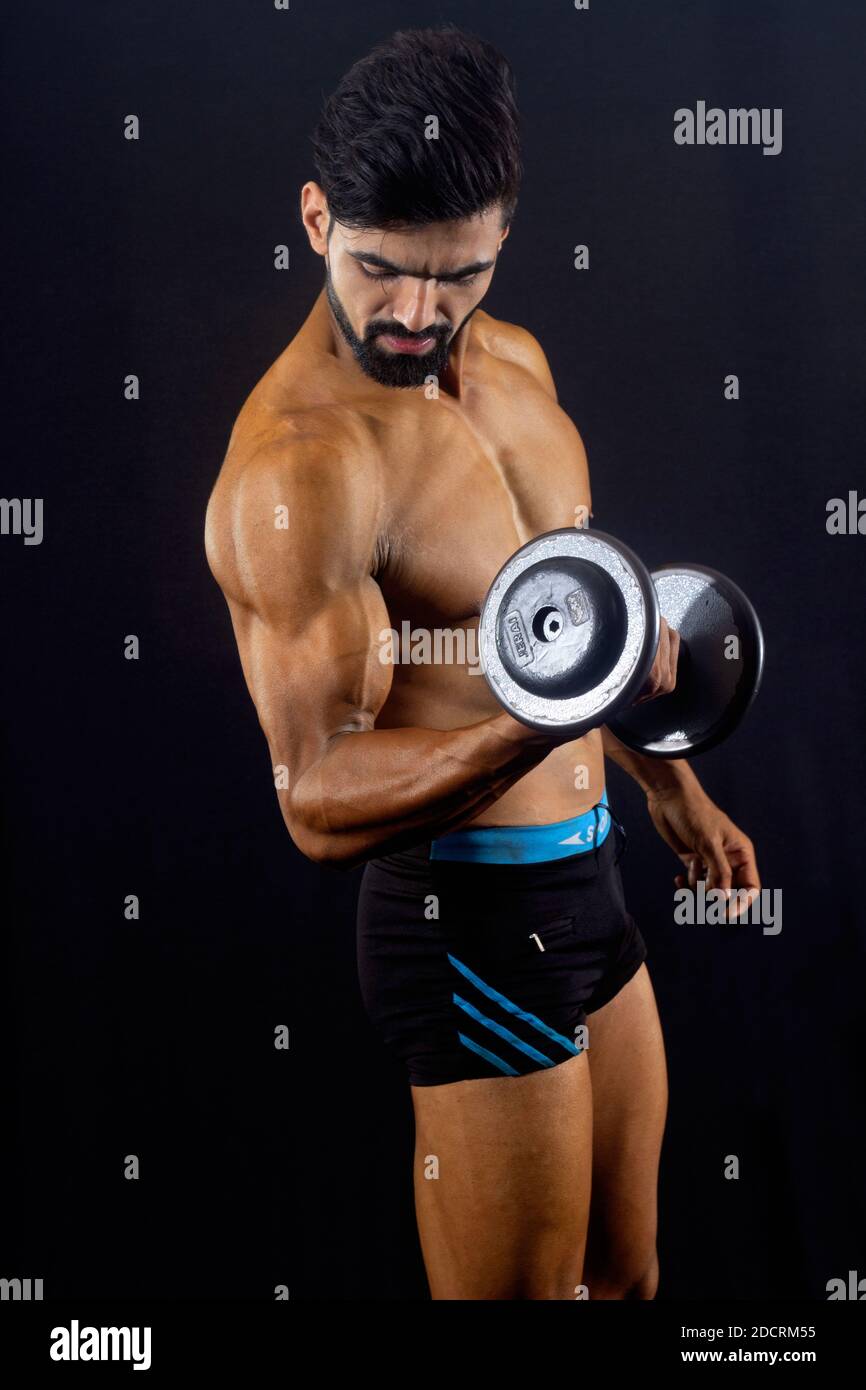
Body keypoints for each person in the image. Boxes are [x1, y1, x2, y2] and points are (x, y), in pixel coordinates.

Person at [205, 24, 760, 1300]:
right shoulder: (302, 466)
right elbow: (314, 793)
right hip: (466, 928)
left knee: (626, 1286)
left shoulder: (514, 366)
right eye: (381, 271)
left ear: (500, 237)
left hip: (592, 887)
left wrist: (659, 777)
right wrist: (529, 726)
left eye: (455, 275)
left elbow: (571, 631)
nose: (415, 314)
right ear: (313, 220)